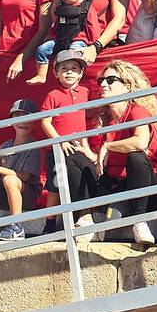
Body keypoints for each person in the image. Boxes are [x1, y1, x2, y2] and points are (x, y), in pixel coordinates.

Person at [93, 61, 157, 246]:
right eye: (100, 80)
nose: (103, 84)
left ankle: (139, 220)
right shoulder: (105, 120)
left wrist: (108, 146)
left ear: (127, 86)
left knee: (135, 156)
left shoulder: (137, 111)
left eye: (110, 80)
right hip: (118, 185)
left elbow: (140, 142)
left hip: (146, 190)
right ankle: (85, 218)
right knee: (74, 161)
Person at [39, 49, 97, 233]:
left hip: (79, 148)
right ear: (56, 73)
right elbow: (45, 121)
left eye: (74, 68)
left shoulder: (85, 92)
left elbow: (84, 123)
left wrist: (86, 147)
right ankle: (49, 223)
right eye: (64, 68)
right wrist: (59, 141)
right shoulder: (53, 95)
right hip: (57, 150)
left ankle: (81, 214)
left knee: (82, 177)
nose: (69, 72)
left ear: (81, 74)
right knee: (55, 187)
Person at [0, 100, 44, 242]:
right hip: (4, 193)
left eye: (27, 117)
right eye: (18, 117)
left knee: (10, 179)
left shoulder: (34, 147)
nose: (23, 122)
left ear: (35, 123)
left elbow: (25, 177)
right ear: (11, 121)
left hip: (27, 196)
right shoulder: (5, 145)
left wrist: (0, 169)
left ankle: (16, 226)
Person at [28, 0, 93, 84]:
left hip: (78, 40)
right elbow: (58, 25)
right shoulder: (61, 8)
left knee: (72, 55)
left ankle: (73, 79)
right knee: (42, 49)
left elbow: (93, 28)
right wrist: (51, 36)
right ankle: (41, 75)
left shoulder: (86, 9)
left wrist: (92, 44)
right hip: (60, 39)